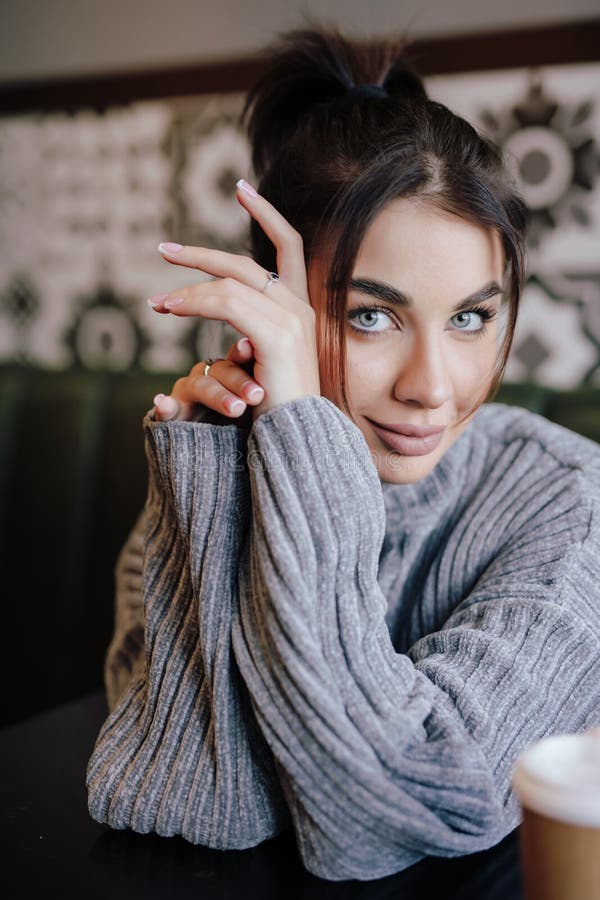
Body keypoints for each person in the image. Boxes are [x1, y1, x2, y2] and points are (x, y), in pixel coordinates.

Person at [86, 25, 600, 881]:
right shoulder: (212, 466)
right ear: (270, 310)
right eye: (371, 315)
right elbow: (194, 797)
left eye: (472, 316)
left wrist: (299, 449)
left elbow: (419, 800)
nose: (433, 386)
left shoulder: (574, 505)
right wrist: (236, 477)